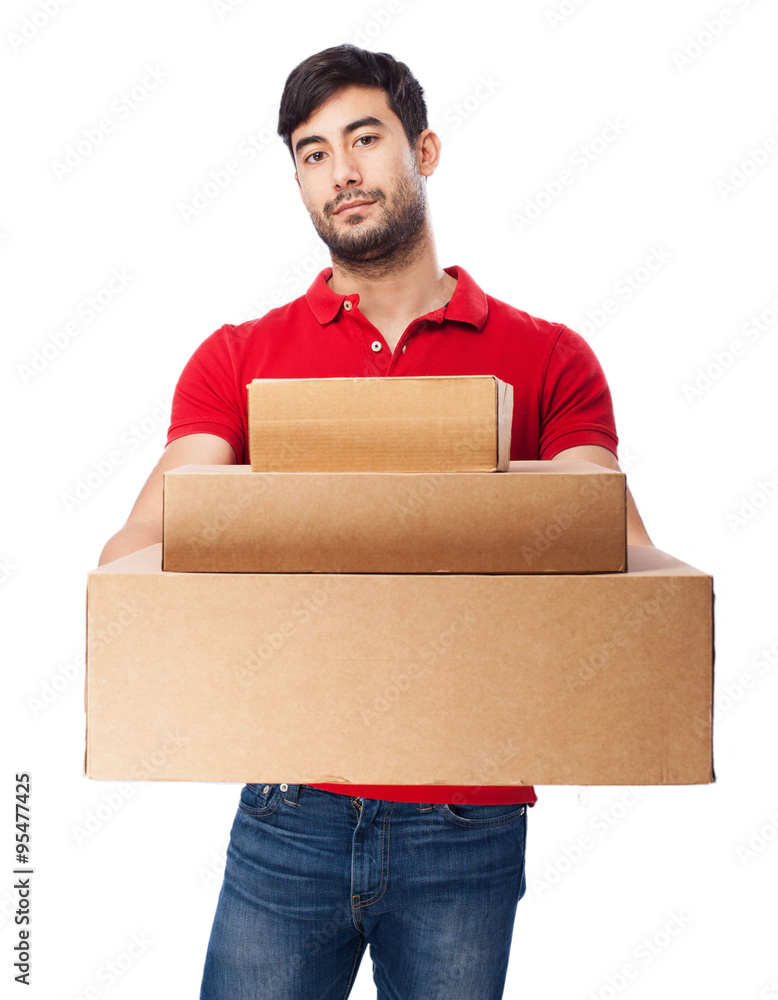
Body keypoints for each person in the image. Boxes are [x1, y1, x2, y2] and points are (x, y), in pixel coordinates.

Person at [99, 44, 652, 1000]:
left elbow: (614, 547)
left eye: (365, 138)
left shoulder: (548, 358)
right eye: (312, 154)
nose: (341, 171)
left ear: (424, 150)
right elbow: (138, 551)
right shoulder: (241, 361)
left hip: (466, 817)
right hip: (289, 805)